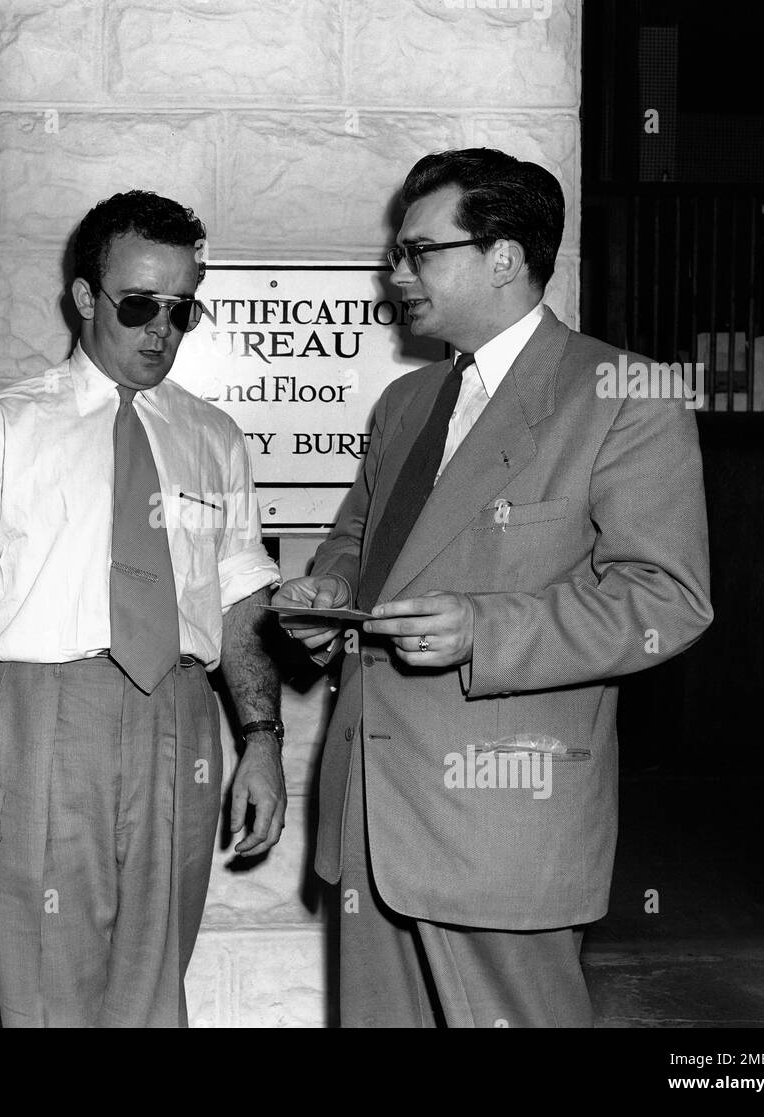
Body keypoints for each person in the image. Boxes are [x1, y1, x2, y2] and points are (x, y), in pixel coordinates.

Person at [274, 149, 713, 1027]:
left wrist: (484, 630)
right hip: (367, 813)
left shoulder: (627, 395)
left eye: (418, 251)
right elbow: (359, 542)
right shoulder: (405, 402)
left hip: (501, 824)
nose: (395, 275)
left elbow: (669, 599)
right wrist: (326, 591)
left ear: (503, 256)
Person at [0, 190, 286, 1028]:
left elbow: (240, 601)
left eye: (183, 308)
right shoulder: (3, 426)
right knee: (46, 990)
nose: (162, 328)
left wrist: (262, 742)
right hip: (43, 714)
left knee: (155, 987)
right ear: (85, 298)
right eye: (140, 304)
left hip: (182, 716)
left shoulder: (214, 435)